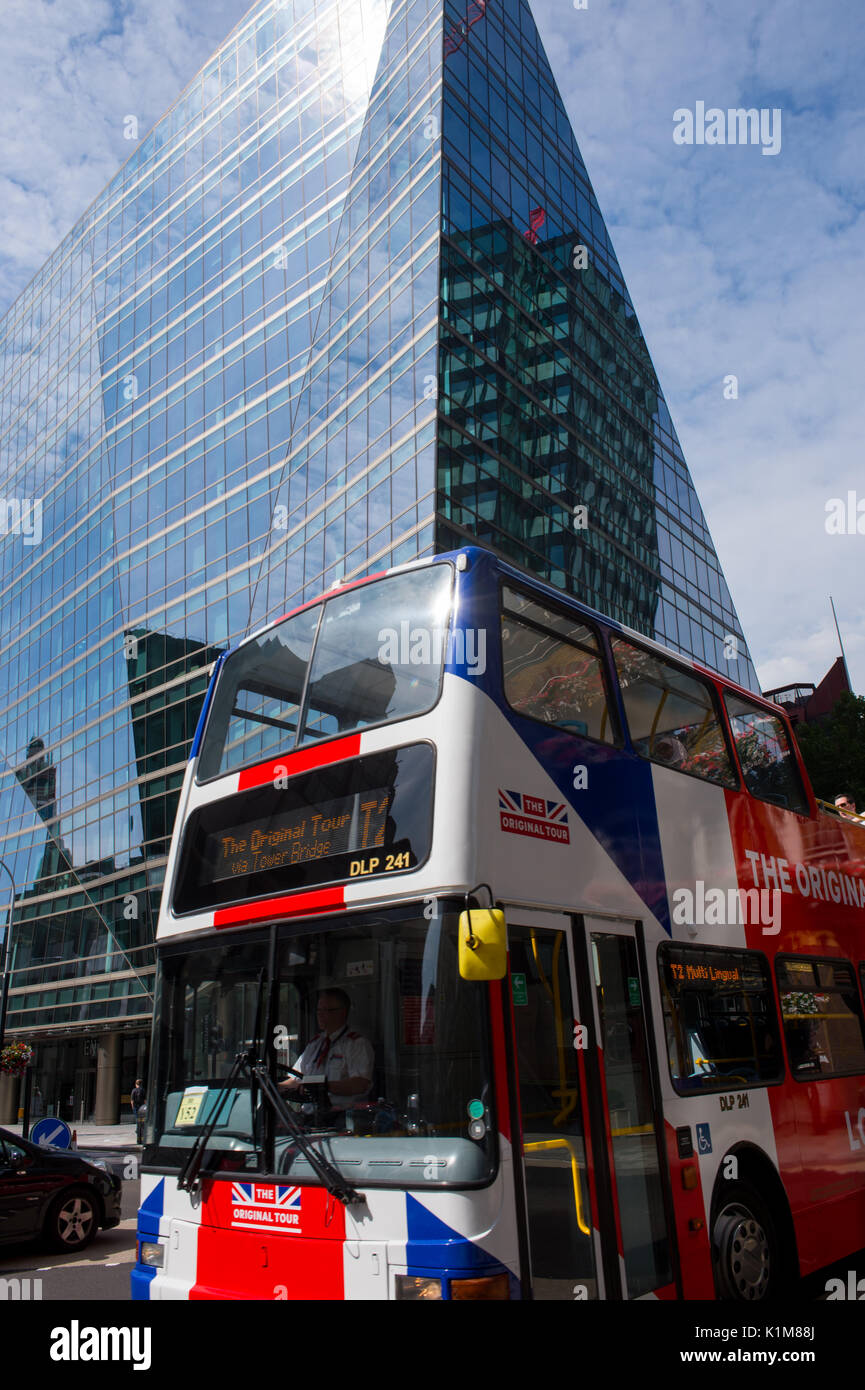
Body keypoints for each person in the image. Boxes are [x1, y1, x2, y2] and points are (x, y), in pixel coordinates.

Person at [279, 989, 373, 1111]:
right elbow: (296, 1079)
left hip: (341, 1116)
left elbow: (360, 1084)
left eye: (326, 1010)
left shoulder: (357, 1044)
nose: (320, 1015)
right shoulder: (315, 1044)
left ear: (342, 1012)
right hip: (310, 1114)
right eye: (318, 1010)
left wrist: (323, 1087)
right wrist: (275, 1087)